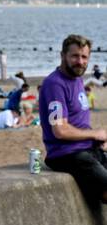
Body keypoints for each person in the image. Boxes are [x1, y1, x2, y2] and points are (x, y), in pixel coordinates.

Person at [39, 35, 107, 203]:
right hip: (67, 154)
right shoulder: (55, 84)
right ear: (63, 56)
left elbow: (78, 123)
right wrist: (93, 134)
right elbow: (60, 130)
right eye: (75, 56)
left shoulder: (77, 79)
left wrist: (97, 139)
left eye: (84, 57)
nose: (80, 61)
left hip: (89, 149)